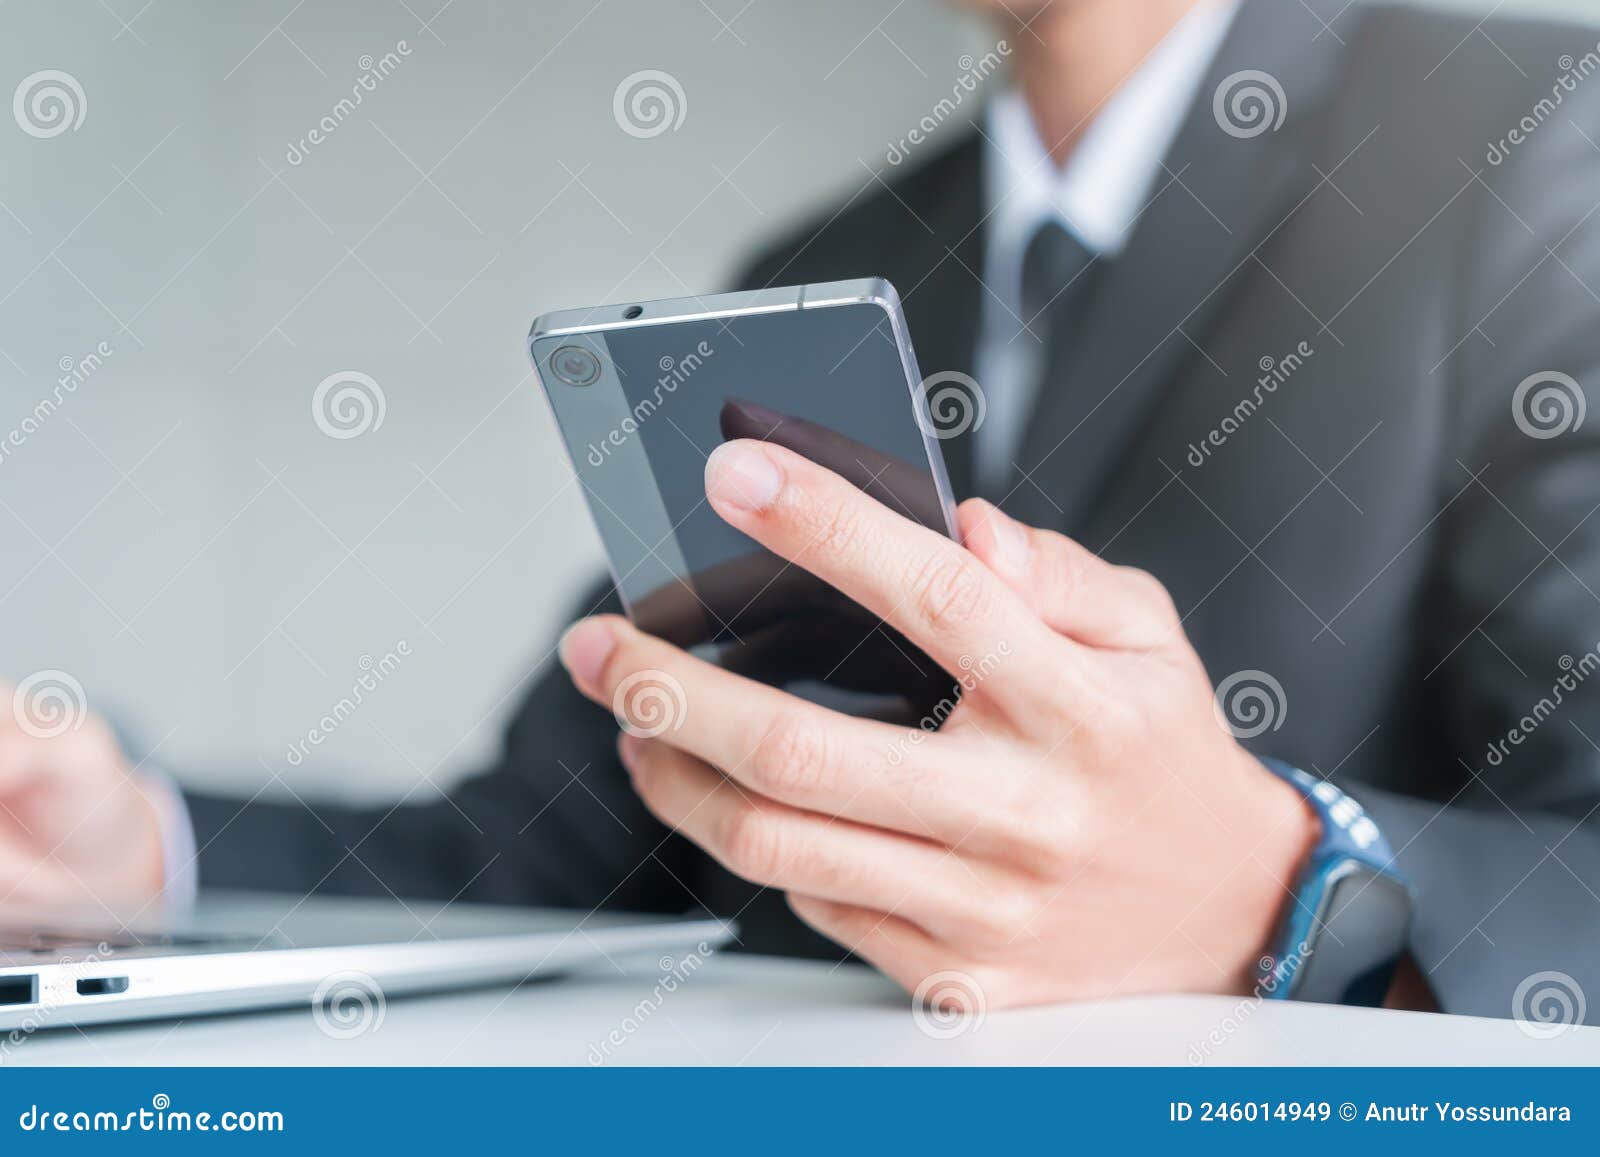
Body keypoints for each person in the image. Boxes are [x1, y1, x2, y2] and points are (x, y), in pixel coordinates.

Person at [4, 0, 1599, 1021]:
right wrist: (141, 844)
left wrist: (1289, 888)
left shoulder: (1537, 137)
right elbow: (574, 837)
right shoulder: (824, 266)